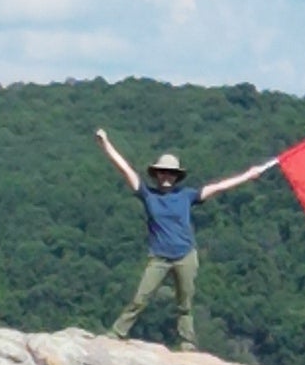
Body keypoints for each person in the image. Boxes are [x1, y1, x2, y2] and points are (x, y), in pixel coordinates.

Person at [97, 125, 276, 348]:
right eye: (162, 172)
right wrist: (105, 144)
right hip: (159, 257)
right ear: (156, 174)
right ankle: (117, 332)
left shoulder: (187, 195)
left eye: (170, 173)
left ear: (176, 176)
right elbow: (125, 169)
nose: (166, 176)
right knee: (140, 298)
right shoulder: (148, 194)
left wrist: (248, 176)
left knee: (185, 303)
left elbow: (218, 187)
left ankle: (187, 342)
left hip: (185, 255)